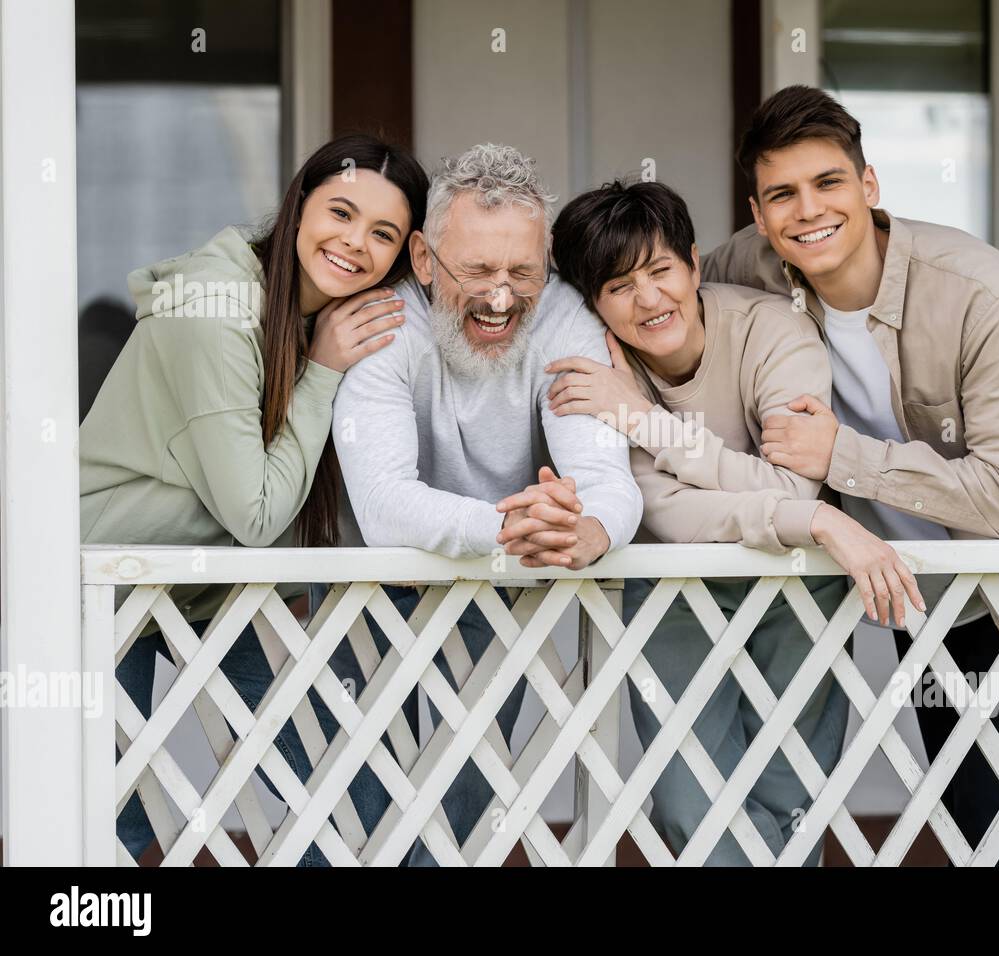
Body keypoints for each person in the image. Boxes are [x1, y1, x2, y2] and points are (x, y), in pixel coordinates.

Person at [703, 85, 999, 865]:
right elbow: (647, 300)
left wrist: (841, 458)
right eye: (782, 195)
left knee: (998, 820)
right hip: (878, 578)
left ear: (868, 185)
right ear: (758, 216)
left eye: (828, 183)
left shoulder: (978, 290)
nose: (808, 211)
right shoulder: (741, 268)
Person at [546, 178, 923, 864]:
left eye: (661, 271)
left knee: (793, 795)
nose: (651, 300)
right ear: (593, 303)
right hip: (675, 588)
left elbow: (794, 479)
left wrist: (645, 423)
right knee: (692, 803)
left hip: (799, 580)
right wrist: (806, 516)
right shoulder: (599, 369)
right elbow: (666, 513)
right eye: (620, 286)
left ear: (693, 263)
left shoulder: (773, 330)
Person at [81, 133, 428, 865]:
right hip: (105, 576)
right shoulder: (216, 313)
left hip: (211, 578)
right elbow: (257, 514)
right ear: (299, 203)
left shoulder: (326, 317)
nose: (355, 243)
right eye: (340, 212)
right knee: (113, 814)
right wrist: (324, 371)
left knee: (338, 782)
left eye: (383, 233)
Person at [330, 144, 643, 860]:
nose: (501, 297)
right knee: (346, 820)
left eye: (521, 273)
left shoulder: (565, 319)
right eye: (476, 271)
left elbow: (605, 481)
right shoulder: (387, 321)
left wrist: (587, 532)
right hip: (364, 598)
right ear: (423, 258)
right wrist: (514, 524)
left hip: (490, 596)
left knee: (460, 827)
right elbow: (382, 507)